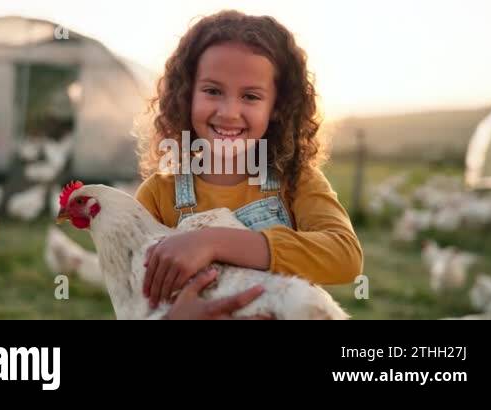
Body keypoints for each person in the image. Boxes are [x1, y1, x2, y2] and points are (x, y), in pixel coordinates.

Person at [134, 10, 364, 314]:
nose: (229, 111)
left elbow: (345, 256)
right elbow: (136, 299)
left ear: (277, 108)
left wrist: (213, 242)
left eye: (251, 97)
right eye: (213, 91)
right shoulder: (157, 196)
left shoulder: (295, 181)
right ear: (187, 96)